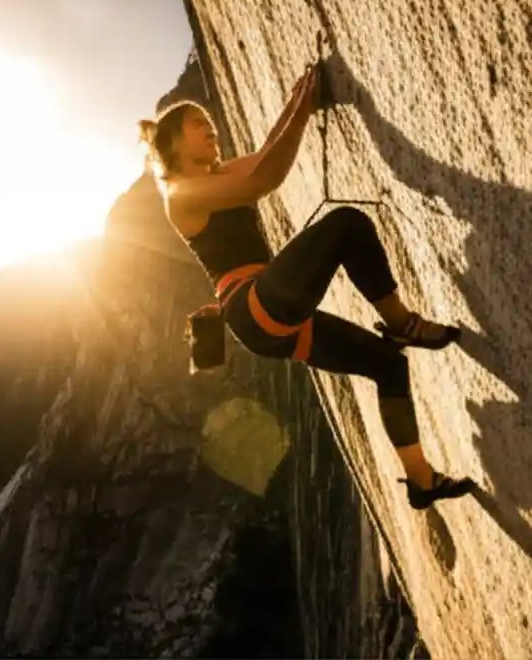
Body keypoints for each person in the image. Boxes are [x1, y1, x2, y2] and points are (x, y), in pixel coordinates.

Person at [137, 63, 475, 510]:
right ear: (174, 142)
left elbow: (262, 157)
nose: (212, 131)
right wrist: (303, 113)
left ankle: (421, 481)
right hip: (255, 307)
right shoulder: (180, 192)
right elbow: (264, 180)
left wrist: (299, 101)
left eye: (211, 124)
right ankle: (401, 322)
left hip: (272, 313)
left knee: (389, 367)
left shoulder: (212, 179)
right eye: (200, 125)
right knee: (347, 225)